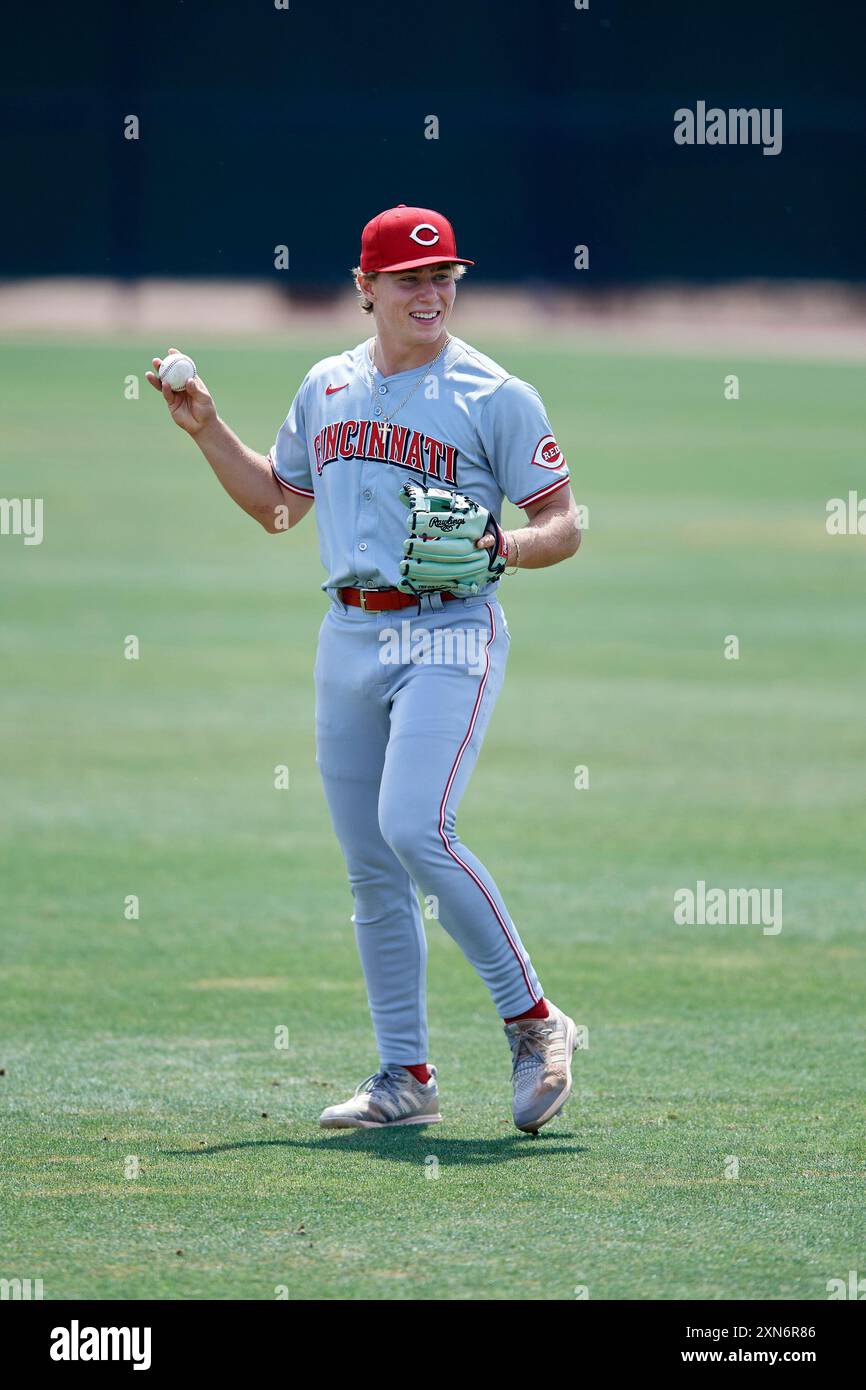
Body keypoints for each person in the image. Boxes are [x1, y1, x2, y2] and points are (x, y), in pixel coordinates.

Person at [147, 203, 582, 1133]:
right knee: (370, 868)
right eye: (411, 279)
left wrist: (503, 544)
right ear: (366, 289)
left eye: (444, 277)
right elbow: (277, 506)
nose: (432, 293)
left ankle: (537, 1023)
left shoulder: (494, 393)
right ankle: (404, 1078)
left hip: (449, 631)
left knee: (415, 827)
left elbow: (566, 523)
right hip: (346, 635)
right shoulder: (327, 385)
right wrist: (205, 430)